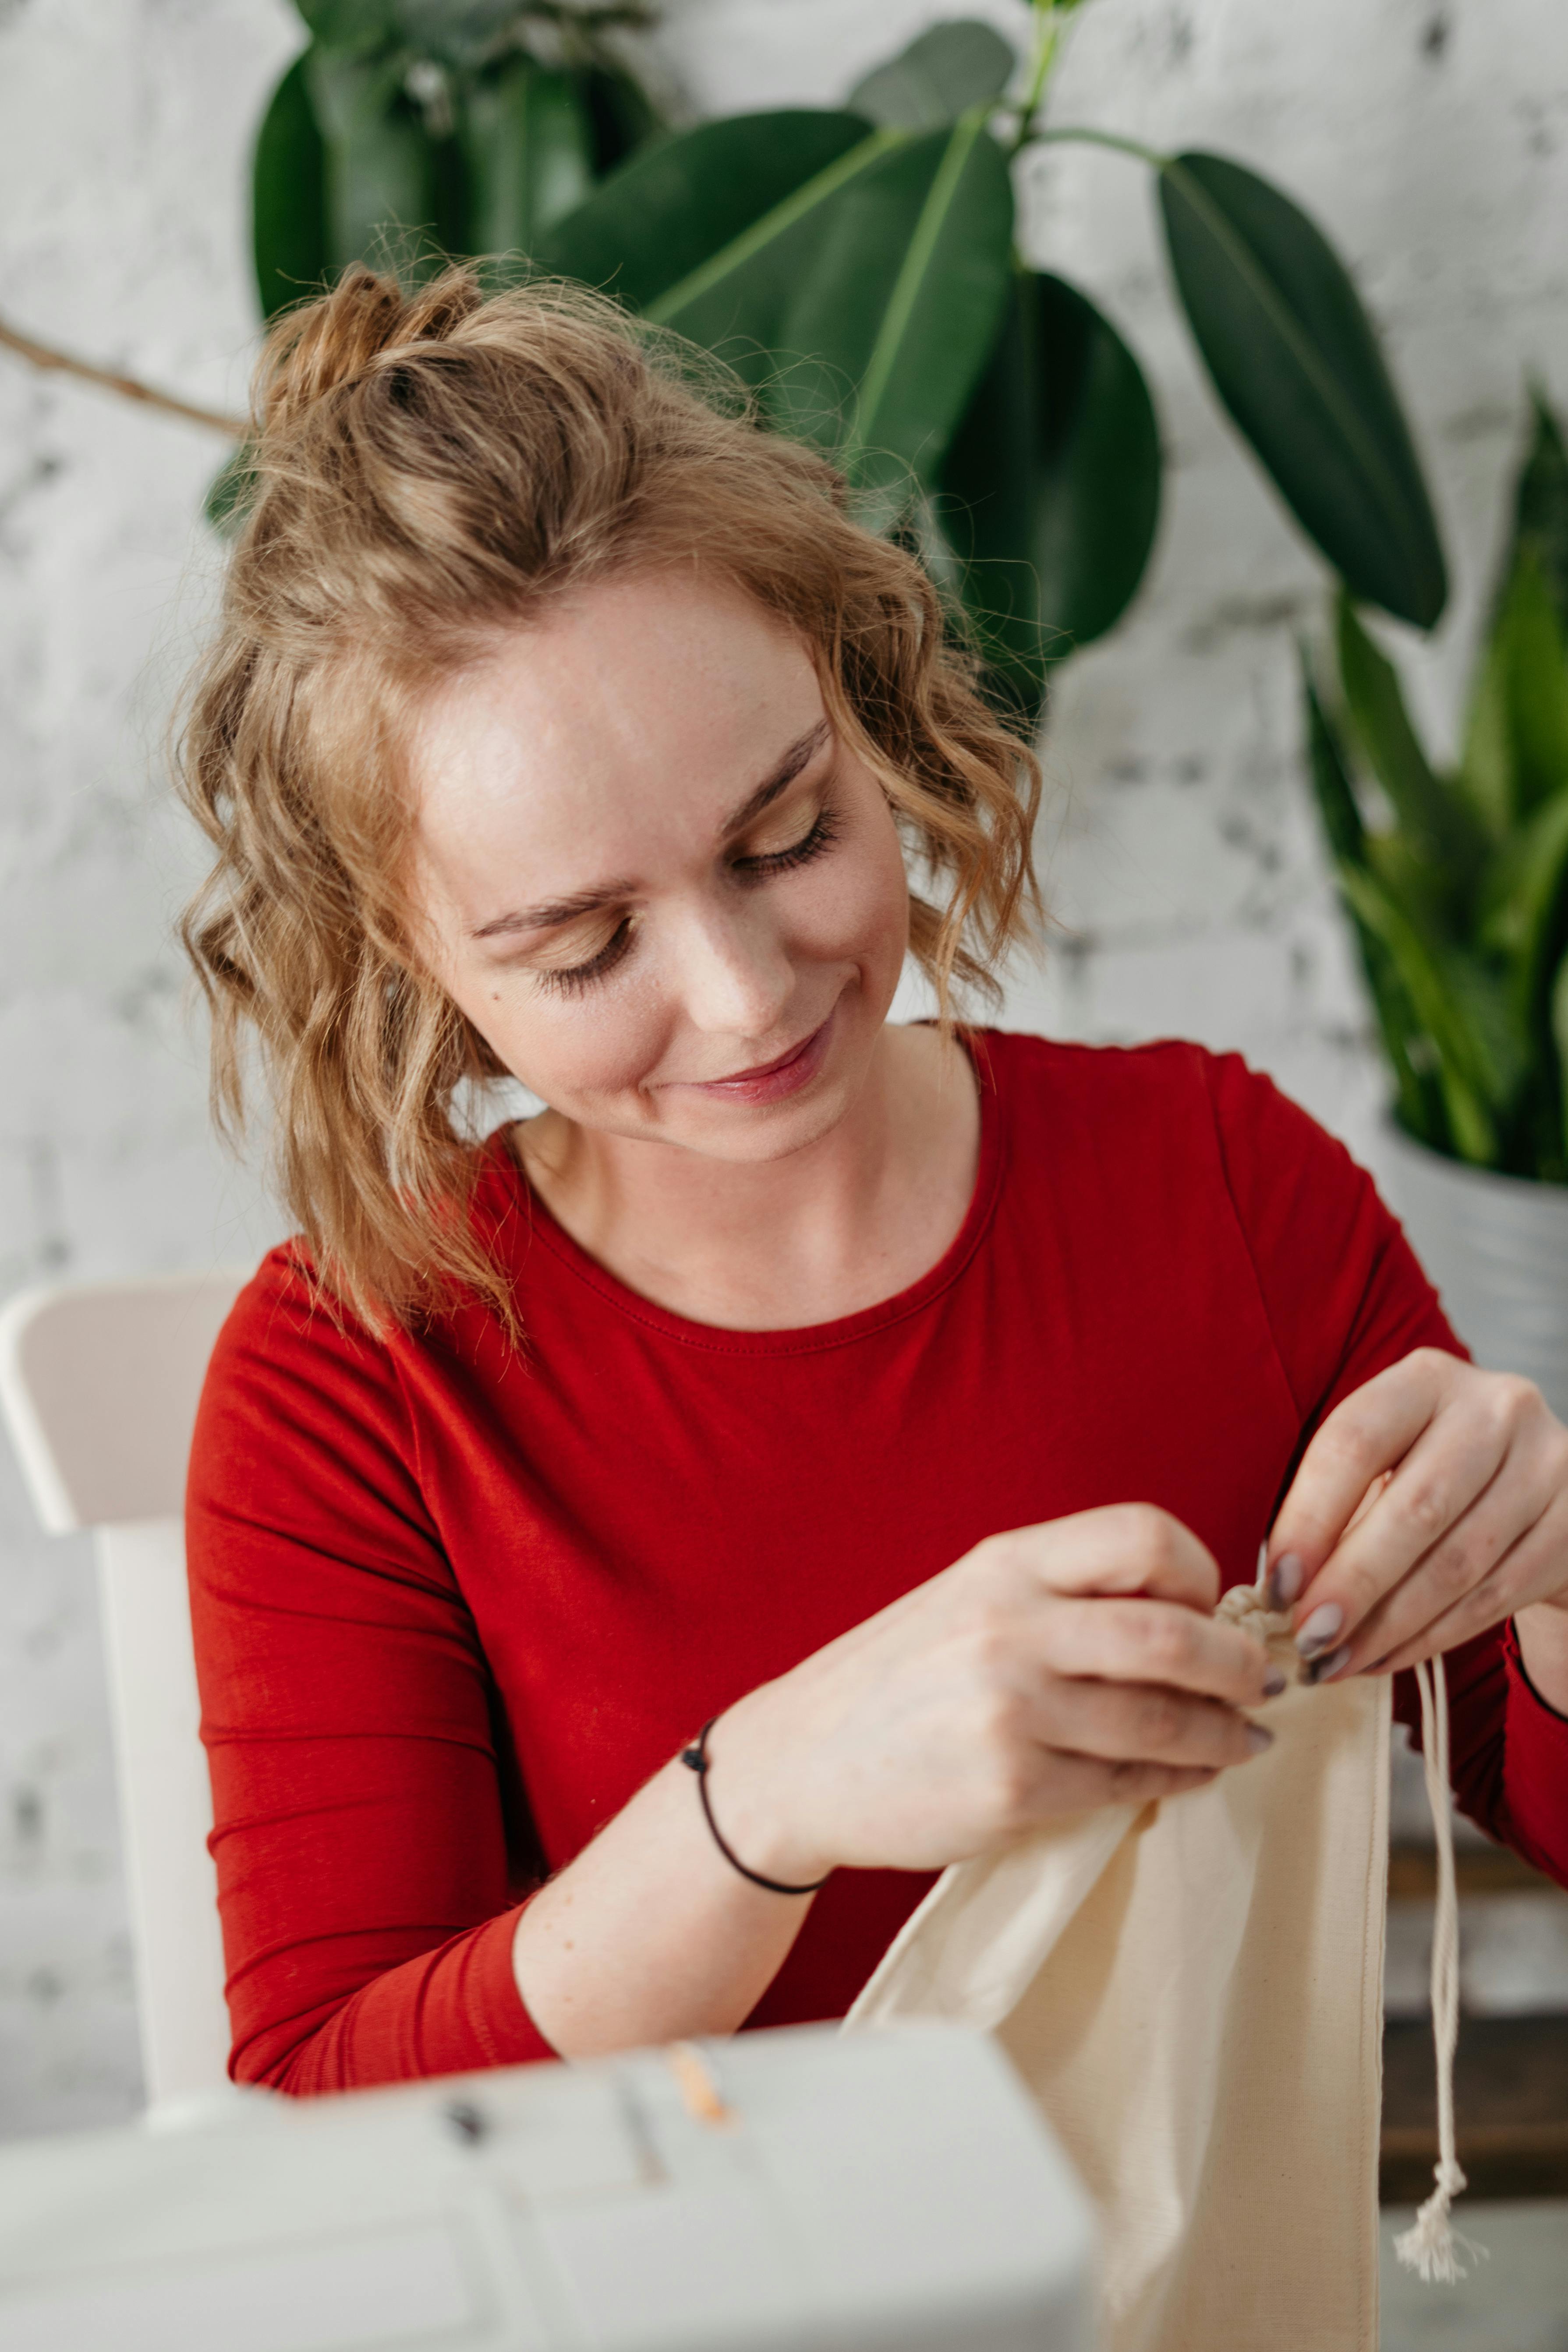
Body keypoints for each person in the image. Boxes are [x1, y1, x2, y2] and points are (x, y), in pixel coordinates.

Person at [182, 265, 1568, 2096]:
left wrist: (1557, 1568)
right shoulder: (354, 1379)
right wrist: (764, 1798)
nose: (746, 995)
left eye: (788, 835)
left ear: (866, 710)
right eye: (585, 947)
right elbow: (327, 2095)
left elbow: (1527, 1791)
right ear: (402, 960)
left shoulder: (1218, 1182)